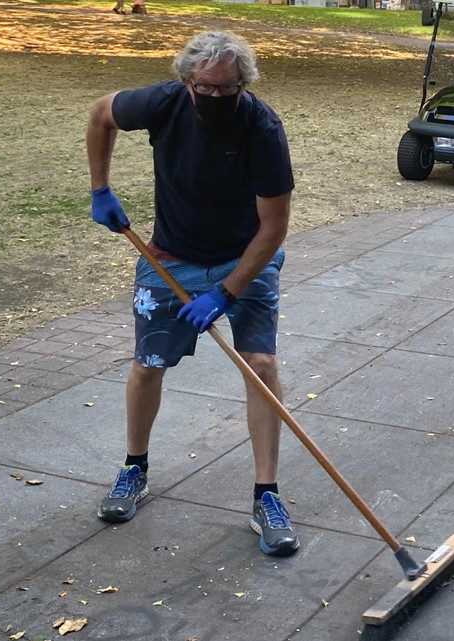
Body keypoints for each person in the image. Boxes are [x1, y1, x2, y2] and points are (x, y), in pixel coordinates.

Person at [86, 31, 299, 557]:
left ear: (242, 85)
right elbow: (99, 115)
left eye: (227, 90)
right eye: (204, 89)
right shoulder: (163, 101)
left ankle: (266, 496)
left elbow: (273, 229)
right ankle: (134, 469)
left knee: (261, 366)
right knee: (147, 365)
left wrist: (227, 293)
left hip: (244, 256)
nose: (214, 99)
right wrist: (100, 188)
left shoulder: (262, 127)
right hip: (170, 258)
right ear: (188, 82)